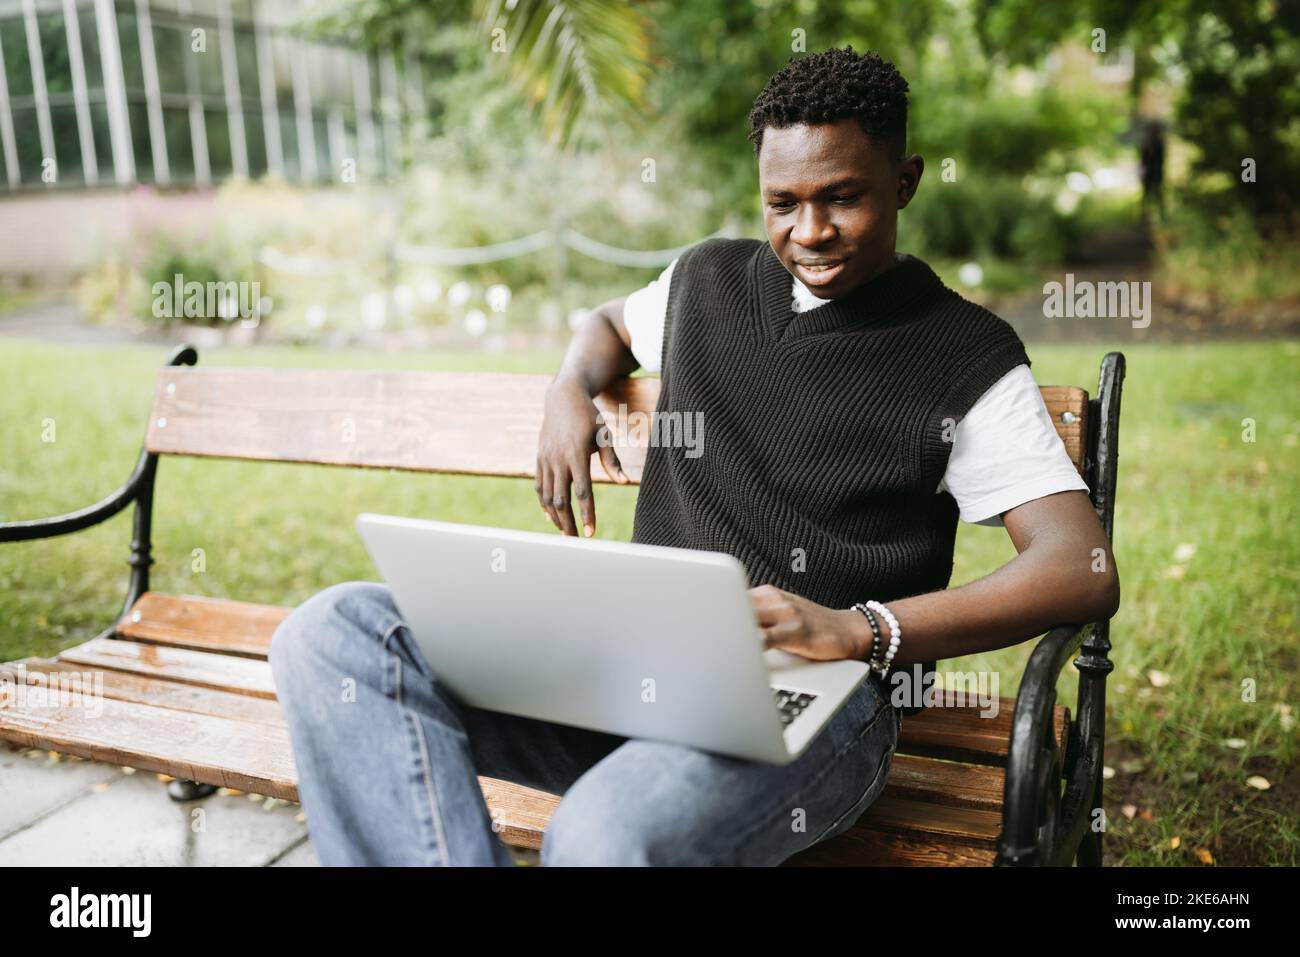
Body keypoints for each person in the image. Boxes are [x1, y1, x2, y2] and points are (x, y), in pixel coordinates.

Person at [269, 46, 1120, 866]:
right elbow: (604, 325)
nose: (809, 229)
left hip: (817, 698)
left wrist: (860, 628)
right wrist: (568, 386)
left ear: (905, 182)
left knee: (604, 835)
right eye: (782, 202)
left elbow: (1077, 566)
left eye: (843, 198)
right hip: (626, 662)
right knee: (337, 633)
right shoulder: (705, 280)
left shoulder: (963, 353)